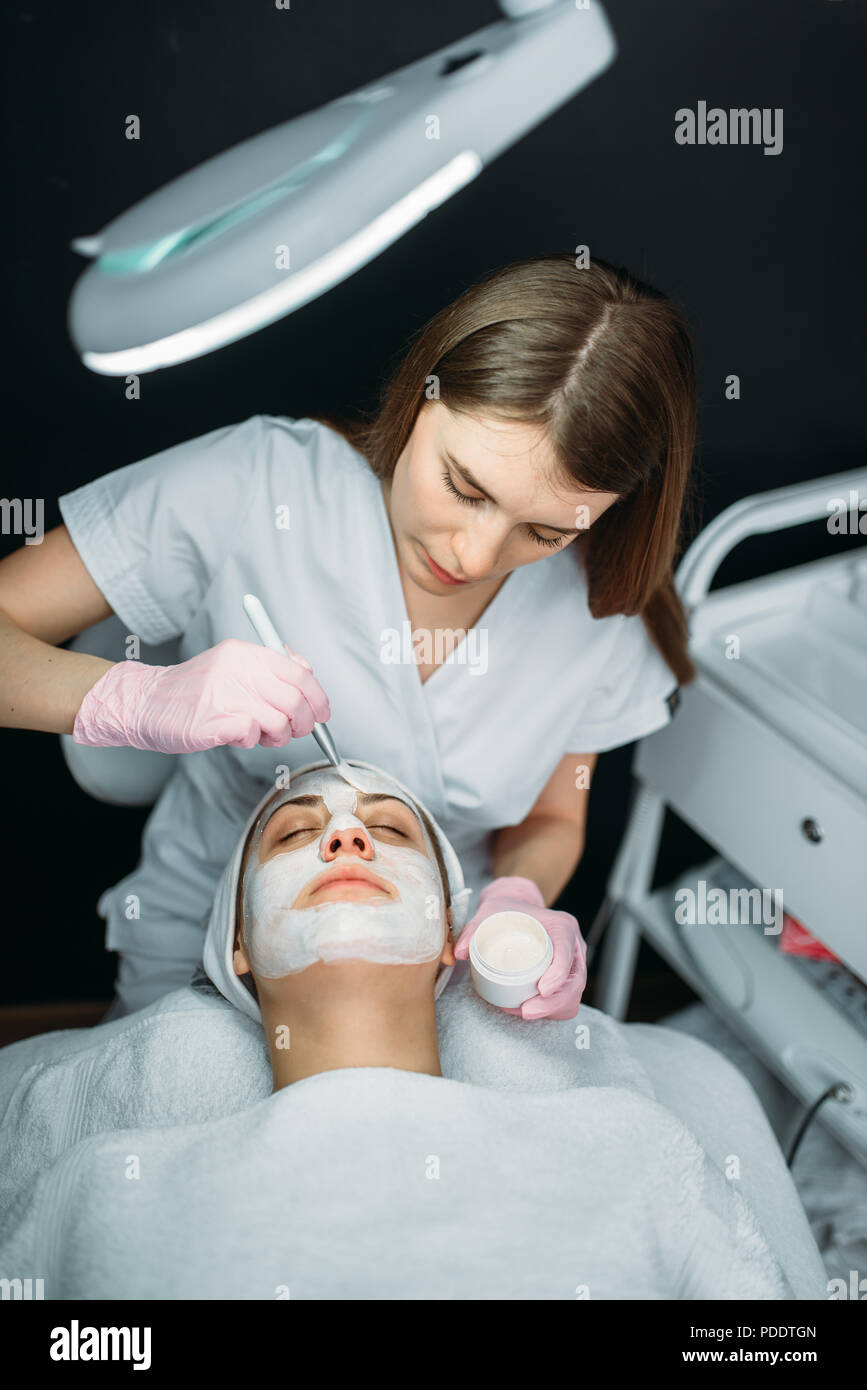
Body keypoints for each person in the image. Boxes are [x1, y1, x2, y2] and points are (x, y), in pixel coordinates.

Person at [0, 253, 694, 1018]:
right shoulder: (254, 486)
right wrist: (135, 699)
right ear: (420, 395)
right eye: (463, 487)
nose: (473, 554)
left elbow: (554, 818)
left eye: (542, 532)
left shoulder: (597, 605)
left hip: (434, 966)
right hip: (197, 950)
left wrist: (515, 897)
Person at [0, 762, 828, 1300]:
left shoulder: (632, 1149)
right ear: (238, 945)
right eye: (295, 833)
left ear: (446, 937)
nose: (346, 834)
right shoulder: (108, 1188)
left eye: (388, 830)